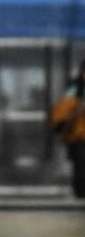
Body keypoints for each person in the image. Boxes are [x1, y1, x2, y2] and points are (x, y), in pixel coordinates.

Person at [50, 61, 85, 198]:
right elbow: (61, 114)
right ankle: (81, 196)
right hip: (79, 139)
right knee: (81, 170)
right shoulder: (74, 91)